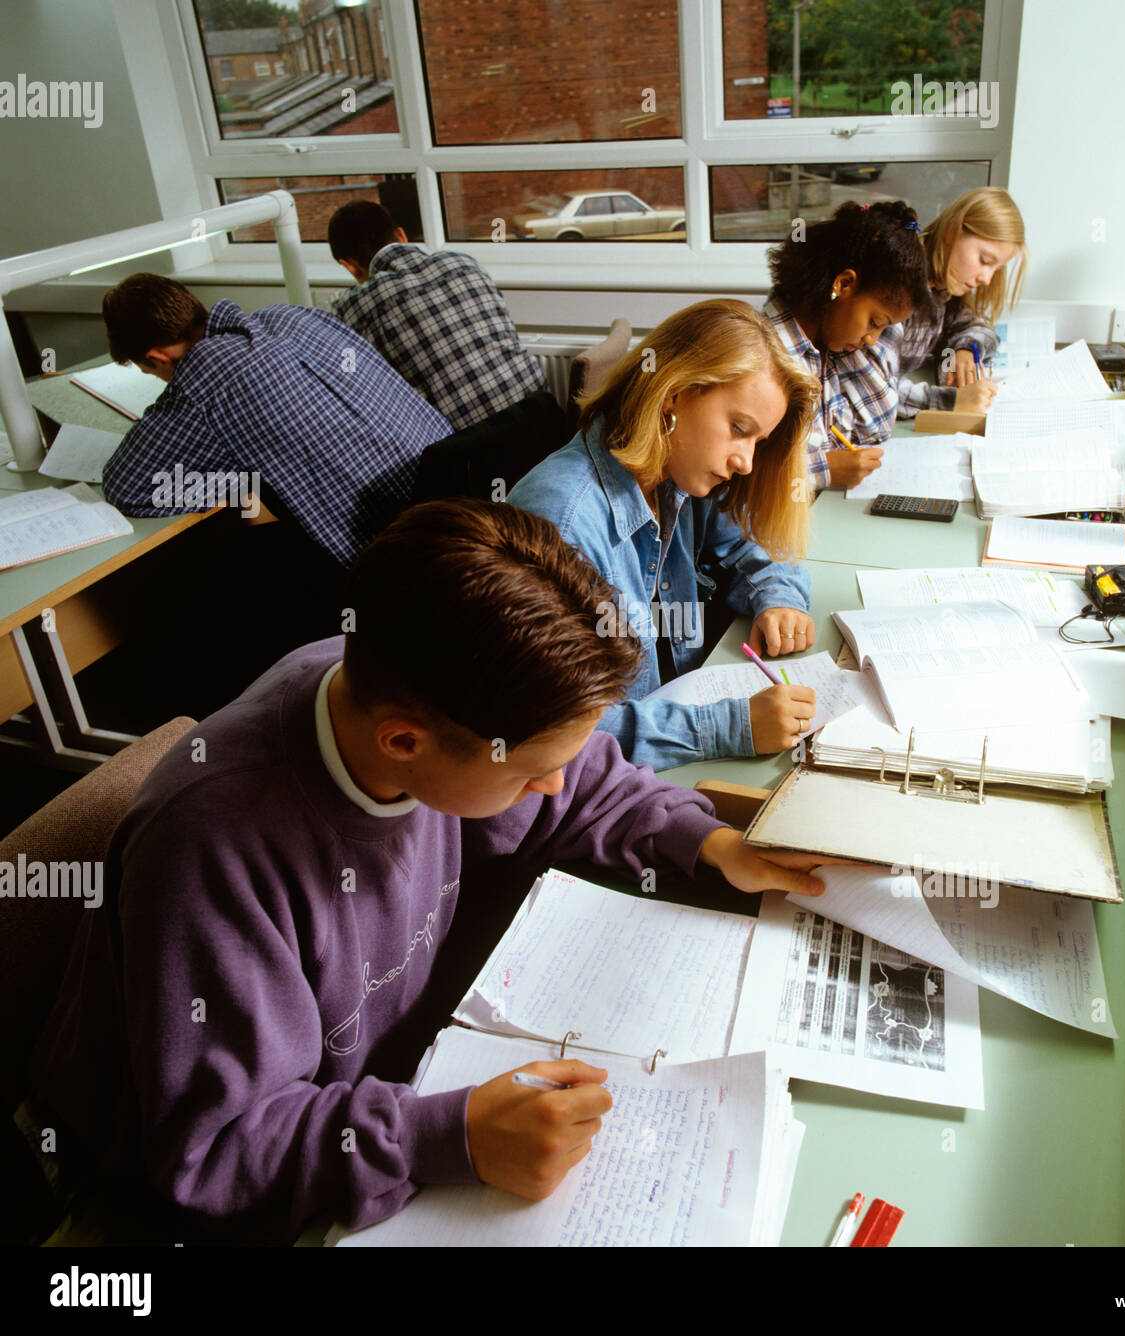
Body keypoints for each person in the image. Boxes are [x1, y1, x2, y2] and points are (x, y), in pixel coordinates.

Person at [28, 498, 828, 1244]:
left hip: (380, 1073)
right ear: (405, 744)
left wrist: (709, 842)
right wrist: (447, 1138)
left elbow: (581, 779)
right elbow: (222, 1148)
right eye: (528, 773)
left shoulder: (410, 692)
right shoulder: (214, 851)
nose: (553, 785)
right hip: (175, 1204)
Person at [509, 299, 820, 771]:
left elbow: (750, 547)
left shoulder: (674, 471)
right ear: (673, 393)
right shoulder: (562, 522)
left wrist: (777, 598)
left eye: (757, 441)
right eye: (738, 429)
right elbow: (553, 733)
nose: (747, 462)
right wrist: (727, 727)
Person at [99, 273, 452, 568]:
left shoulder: (204, 376)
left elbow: (127, 486)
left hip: (401, 557)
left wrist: (240, 475)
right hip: (458, 515)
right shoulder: (294, 315)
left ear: (157, 356)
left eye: (148, 370)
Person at [329, 200, 546, 429]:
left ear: (350, 266)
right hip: (540, 421)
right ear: (401, 235)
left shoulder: (352, 305)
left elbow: (356, 385)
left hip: (467, 449)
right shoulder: (464, 263)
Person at [763, 199, 932, 492]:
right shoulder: (767, 357)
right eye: (874, 322)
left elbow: (874, 428)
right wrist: (823, 470)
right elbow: (740, 473)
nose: (872, 340)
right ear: (843, 284)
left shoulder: (824, 343)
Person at [875, 186, 1026, 418]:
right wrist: (953, 401)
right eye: (984, 260)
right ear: (951, 232)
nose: (986, 279)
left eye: (996, 268)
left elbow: (977, 327)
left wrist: (965, 348)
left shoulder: (942, 289)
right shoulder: (897, 285)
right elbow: (876, 387)